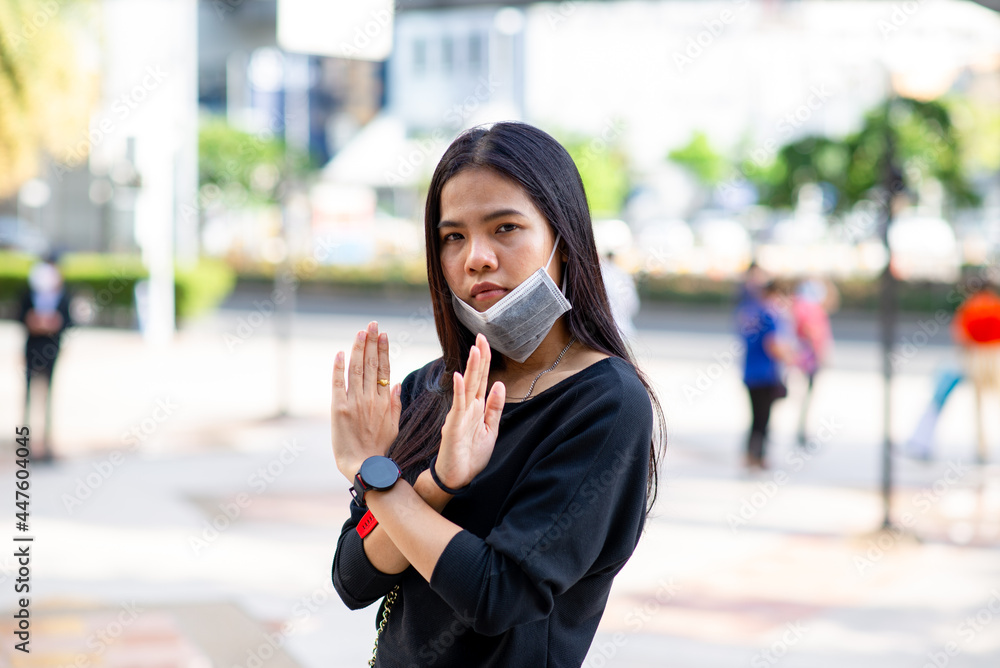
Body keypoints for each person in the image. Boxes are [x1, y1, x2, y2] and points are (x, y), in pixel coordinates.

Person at [330, 122, 666, 667]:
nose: (476, 257)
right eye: (453, 236)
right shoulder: (430, 387)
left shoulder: (606, 404)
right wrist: (436, 485)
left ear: (564, 239)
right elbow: (353, 577)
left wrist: (373, 476)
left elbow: (498, 594)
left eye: (505, 227)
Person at [18, 254, 73, 462]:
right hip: (32, 349)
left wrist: (54, 323)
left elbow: (68, 321)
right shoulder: (28, 294)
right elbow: (20, 316)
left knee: (48, 397)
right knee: (28, 397)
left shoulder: (63, 296)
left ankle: (47, 443)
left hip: (52, 351)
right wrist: (32, 321)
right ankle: (25, 443)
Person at [737, 279, 794, 469]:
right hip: (766, 374)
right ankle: (759, 456)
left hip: (751, 371)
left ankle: (750, 454)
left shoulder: (751, 312)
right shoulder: (771, 314)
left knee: (756, 417)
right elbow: (773, 344)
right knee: (763, 418)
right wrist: (791, 357)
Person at [952, 280, 1000, 463]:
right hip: (996, 353)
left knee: (978, 404)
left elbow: (961, 335)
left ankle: (981, 447)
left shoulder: (970, 307)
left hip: (977, 354)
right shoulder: (996, 305)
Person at [791, 278, 834, 446]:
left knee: (805, 396)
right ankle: (801, 430)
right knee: (805, 396)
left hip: (803, 358)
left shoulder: (799, 305)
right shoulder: (810, 308)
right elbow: (812, 332)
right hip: (807, 360)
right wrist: (821, 355)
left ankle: (801, 429)